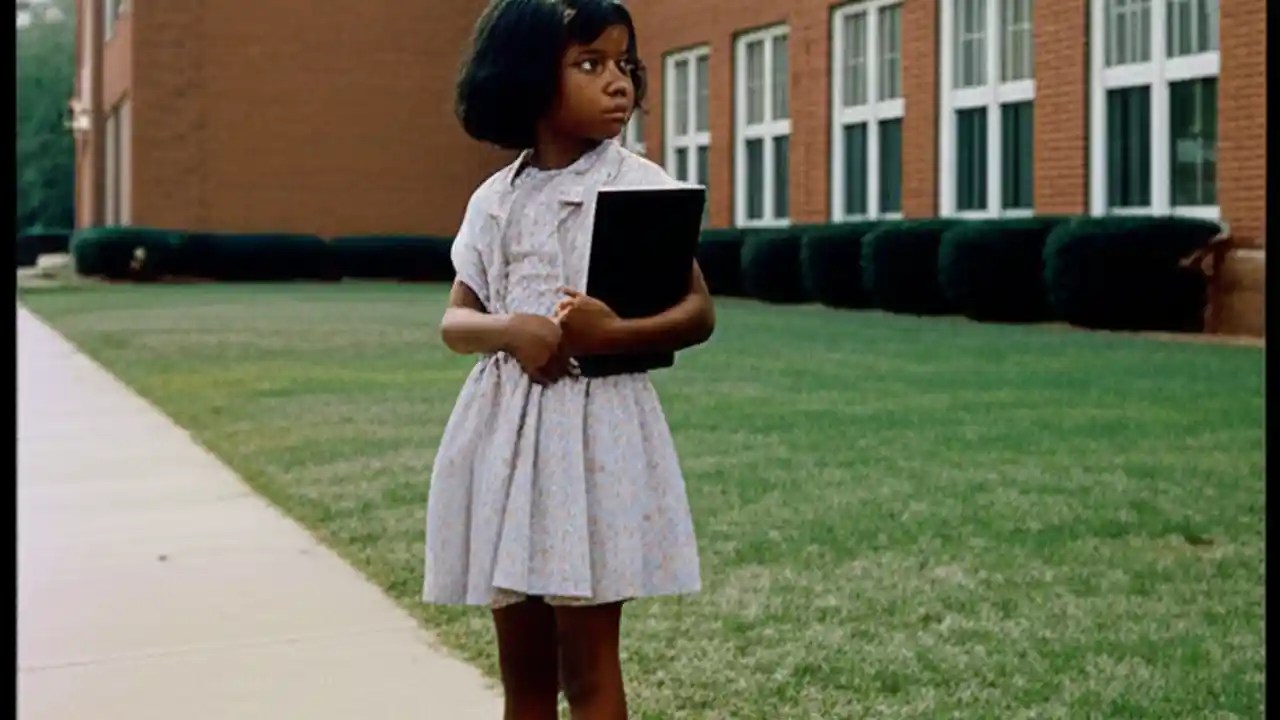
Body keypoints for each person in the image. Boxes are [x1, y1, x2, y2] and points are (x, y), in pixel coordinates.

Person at [422, 1, 715, 718]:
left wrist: (606, 335)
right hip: (505, 444)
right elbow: (455, 321)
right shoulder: (496, 199)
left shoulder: (639, 186)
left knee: (587, 666)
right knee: (522, 674)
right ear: (525, 78)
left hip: (593, 446)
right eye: (590, 65)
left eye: (626, 65)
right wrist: (513, 330)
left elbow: (697, 313)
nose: (618, 83)